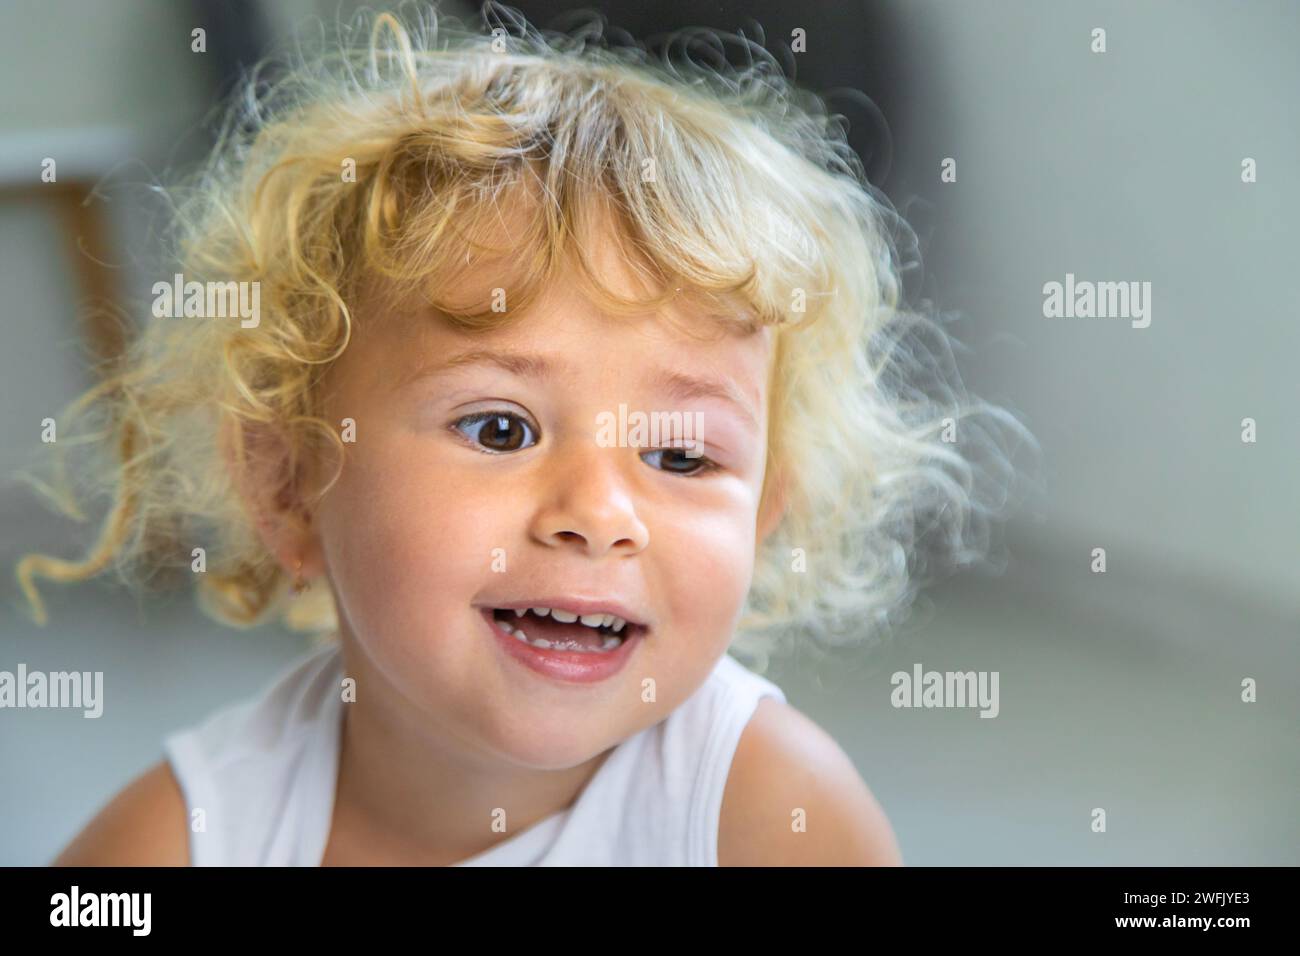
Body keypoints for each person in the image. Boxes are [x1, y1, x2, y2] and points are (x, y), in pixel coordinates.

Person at [22, 4, 1013, 866]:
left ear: (762, 516)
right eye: (500, 427)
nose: (598, 513)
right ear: (288, 483)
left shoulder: (770, 818)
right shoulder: (188, 837)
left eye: (679, 454)